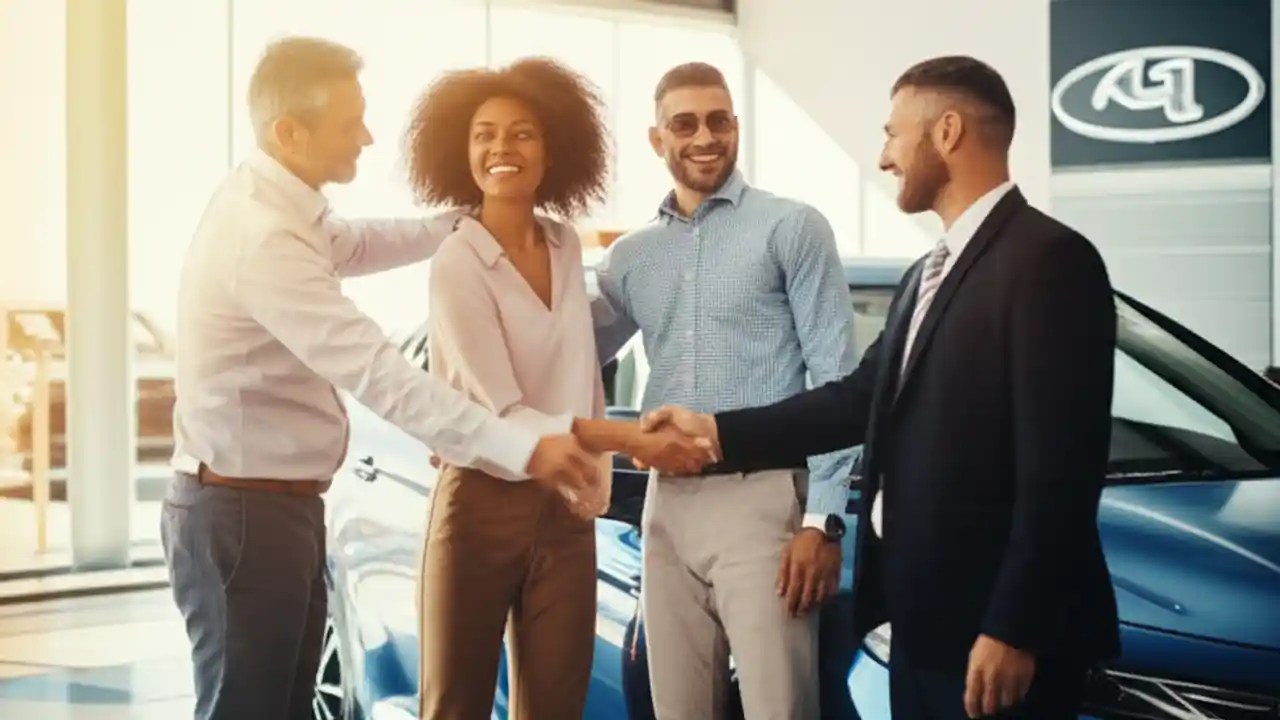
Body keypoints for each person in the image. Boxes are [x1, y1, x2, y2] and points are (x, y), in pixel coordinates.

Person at [644, 55, 1121, 719]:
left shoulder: (1049, 261)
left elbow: (1062, 475)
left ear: (947, 132)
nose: (884, 157)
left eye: (894, 134)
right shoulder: (927, 273)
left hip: (991, 635)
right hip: (923, 627)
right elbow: (856, 399)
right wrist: (718, 431)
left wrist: (1016, 627)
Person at [162, 37, 607, 720]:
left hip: (278, 507)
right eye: (351, 124)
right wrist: (522, 446)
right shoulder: (263, 237)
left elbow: (360, 243)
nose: (368, 137)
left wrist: (468, 218)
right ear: (290, 133)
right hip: (242, 515)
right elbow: (380, 373)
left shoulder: (288, 211)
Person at [406, 58, 713, 719]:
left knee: (555, 707)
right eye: (485, 134)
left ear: (552, 152)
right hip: (480, 503)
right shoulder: (458, 260)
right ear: (462, 151)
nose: (502, 148)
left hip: (567, 503)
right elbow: (505, 414)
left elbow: (577, 361)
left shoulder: (564, 244)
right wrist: (632, 439)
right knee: (454, 707)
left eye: (522, 133)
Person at [592, 62, 860, 720]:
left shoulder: (792, 227)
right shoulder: (629, 258)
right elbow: (567, 355)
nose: (705, 137)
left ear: (736, 126)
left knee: (779, 710)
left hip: (762, 502)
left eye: (719, 121)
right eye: (684, 124)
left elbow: (836, 379)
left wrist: (821, 521)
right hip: (666, 507)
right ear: (658, 139)